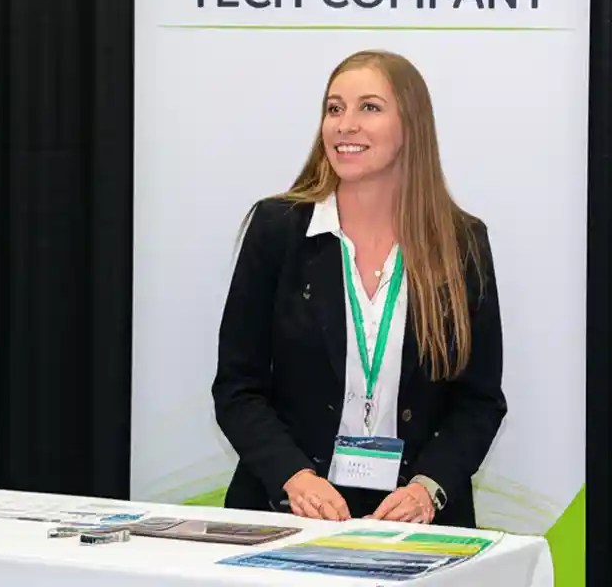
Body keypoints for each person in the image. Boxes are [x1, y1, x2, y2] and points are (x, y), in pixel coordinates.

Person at [211, 49, 506, 528]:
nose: (345, 124)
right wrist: (294, 477)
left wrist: (428, 488)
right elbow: (238, 388)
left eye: (369, 107)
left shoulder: (461, 243)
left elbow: (479, 400)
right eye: (334, 108)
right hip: (288, 510)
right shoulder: (277, 230)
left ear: (411, 125)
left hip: (411, 520)